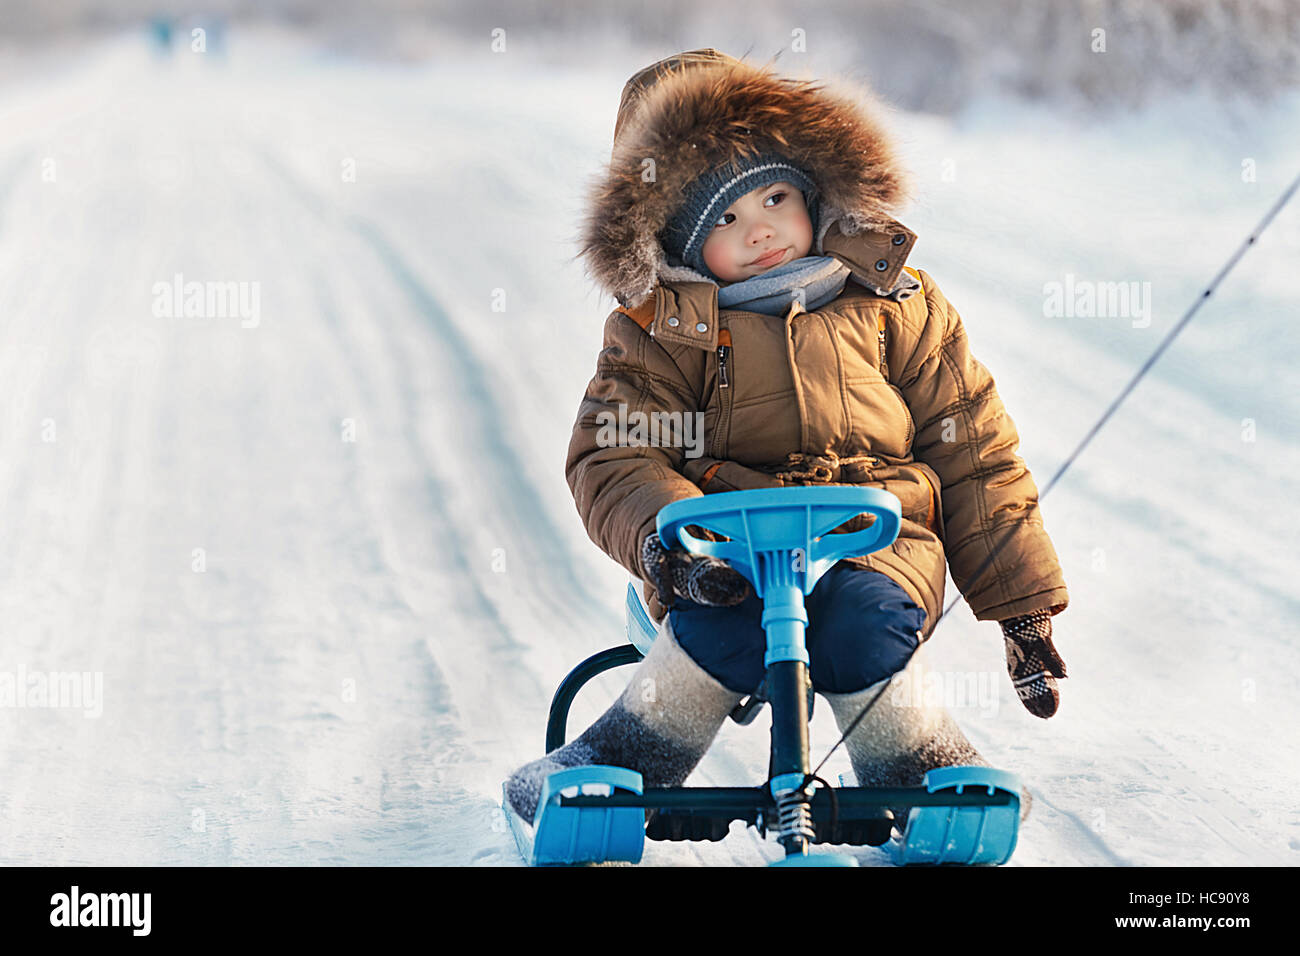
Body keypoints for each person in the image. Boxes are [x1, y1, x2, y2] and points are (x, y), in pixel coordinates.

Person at [504, 49, 1069, 837]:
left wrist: (1022, 607)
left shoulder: (892, 303)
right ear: (673, 238)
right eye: (725, 219)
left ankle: (917, 767)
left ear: (814, 189)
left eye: (774, 196)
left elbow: (971, 445)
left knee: (865, 622)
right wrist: (676, 541)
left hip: (876, 538)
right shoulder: (664, 335)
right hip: (724, 549)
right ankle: (630, 759)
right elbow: (617, 453)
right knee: (723, 623)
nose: (760, 228)